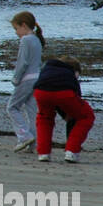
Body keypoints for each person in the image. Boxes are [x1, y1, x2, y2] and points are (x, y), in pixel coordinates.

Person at [33, 55, 95, 163]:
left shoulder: (47, 68)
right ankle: (71, 151)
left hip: (40, 92)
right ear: (75, 71)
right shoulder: (70, 74)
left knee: (44, 118)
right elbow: (76, 95)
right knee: (86, 116)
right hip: (65, 93)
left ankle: (43, 153)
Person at [8, 11, 44, 152]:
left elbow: (22, 62)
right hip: (37, 78)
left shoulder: (25, 40)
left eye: (16, 29)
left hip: (26, 79)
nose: (16, 33)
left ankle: (24, 136)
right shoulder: (36, 39)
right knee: (32, 111)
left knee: (12, 107)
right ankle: (32, 144)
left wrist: (15, 79)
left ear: (23, 25)